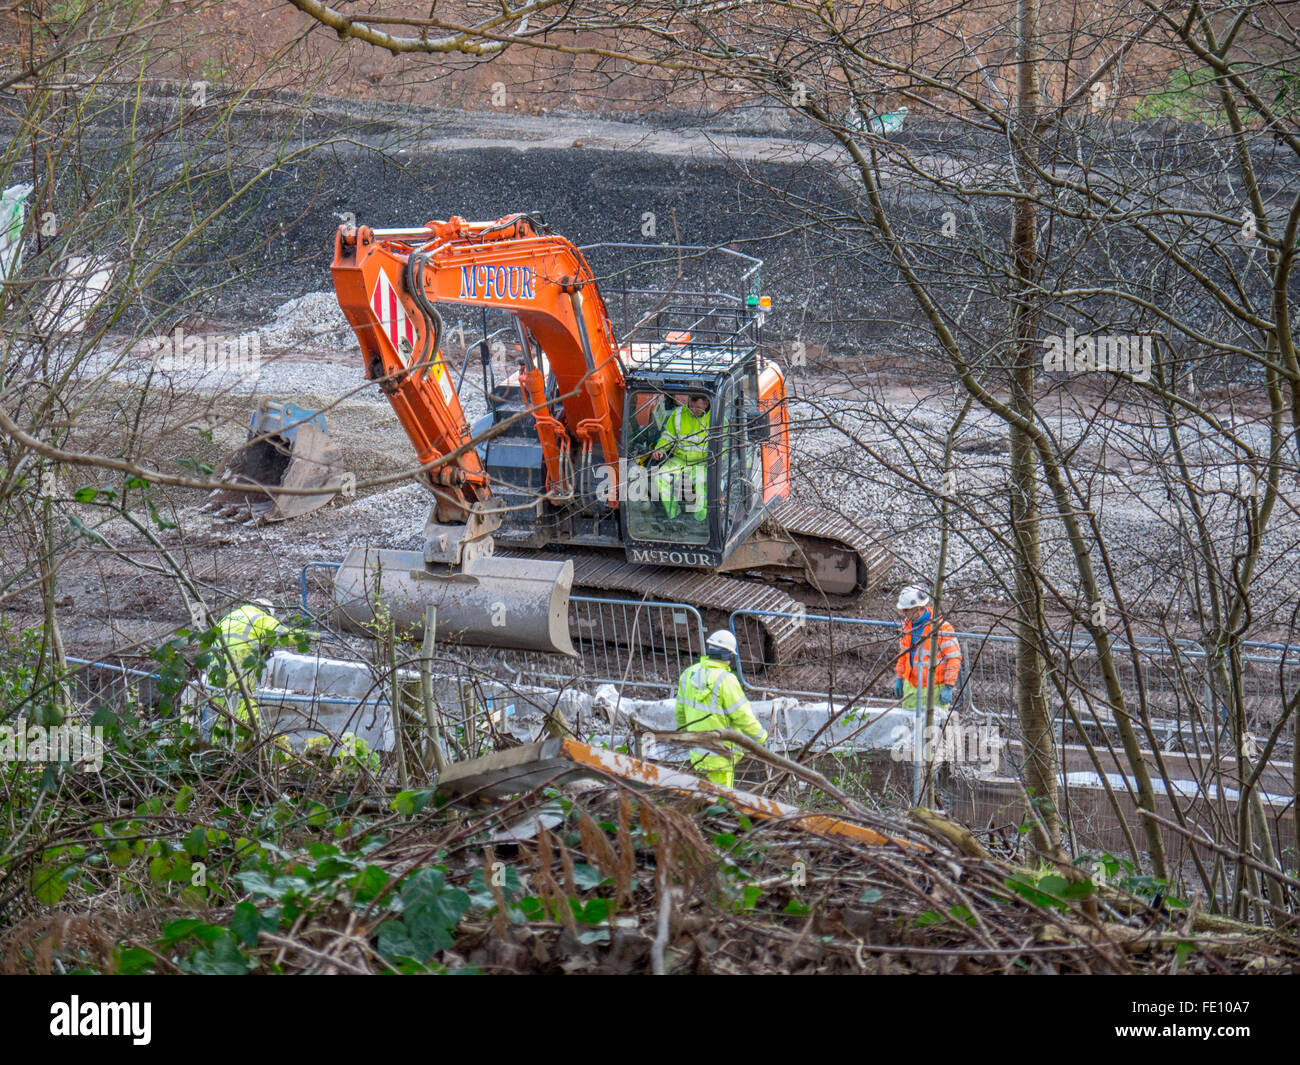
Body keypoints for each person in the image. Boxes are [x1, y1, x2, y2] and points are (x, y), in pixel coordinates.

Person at [674, 629, 767, 787]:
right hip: (721, 757)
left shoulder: (688, 674)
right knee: (722, 803)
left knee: (702, 797)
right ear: (728, 655)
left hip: (697, 755)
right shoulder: (726, 680)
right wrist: (762, 737)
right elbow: (742, 715)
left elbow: (680, 713)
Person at [209, 598, 283, 731]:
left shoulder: (229, 618)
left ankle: (218, 751)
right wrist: (314, 637)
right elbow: (285, 635)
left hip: (215, 682)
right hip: (240, 685)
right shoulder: (261, 619)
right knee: (249, 727)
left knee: (221, 727)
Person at [894, 586, 962, 710]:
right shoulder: (906, 626)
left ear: (918, 608)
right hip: (911, 687)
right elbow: (903, 654)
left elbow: (954, 658)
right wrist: (899, 677)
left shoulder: (941, 627)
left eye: (906, 610)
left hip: (934, 689)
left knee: (932, 728)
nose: (904, 613)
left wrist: (948, 686)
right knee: (909, 726)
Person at [652, 392, 711, 521]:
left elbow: (724, 446)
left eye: (697, 408)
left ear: (706, 404)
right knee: (660, 477)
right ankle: (674, 516)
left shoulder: (716, 418)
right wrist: (660, 449)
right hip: (680, 460)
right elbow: (668, 436)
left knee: (702, 484)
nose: (692, 411)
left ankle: (701, 520)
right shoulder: (678, 414)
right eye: (690, 407)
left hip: (702, 461)